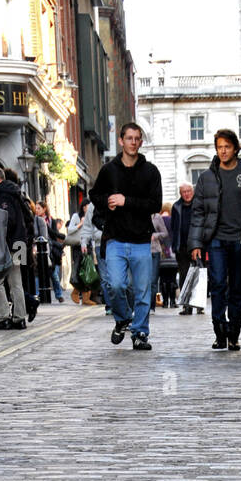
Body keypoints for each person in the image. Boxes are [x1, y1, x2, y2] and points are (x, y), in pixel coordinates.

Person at [90, 122, 162, 352]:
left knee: (142, 291)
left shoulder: (150, 171)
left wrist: (126, 201)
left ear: (140, 142)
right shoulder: (108, 170)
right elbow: (95, 195)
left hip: (141, 239)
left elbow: (155, 204)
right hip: (115, 238)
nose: (133, 142)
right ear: (121, 141)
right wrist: (107, 202)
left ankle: (140, 333)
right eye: (129, 138)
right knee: (116, 285)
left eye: (137, 138)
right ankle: (122, 319)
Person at [189, 129, 241, 350]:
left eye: (227, 146)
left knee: (237, 287)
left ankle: (234, 332)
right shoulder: (207, 177)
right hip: (216, 239)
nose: (223, 151)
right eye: (219, 147)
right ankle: (219, 331)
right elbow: (198, 212)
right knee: (217, 285)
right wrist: (196, 243)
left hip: (240, 239)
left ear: (236, 148)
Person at [0, 165, 29, 330]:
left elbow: (6, 220)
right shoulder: (15, 192)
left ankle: (3, 317)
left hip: (8, 244)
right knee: (16, 282)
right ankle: (19, 319)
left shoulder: (3, 195)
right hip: (20, 243)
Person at [4, 169, 38, 322]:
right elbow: (29, 220)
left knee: (11, 279)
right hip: (22, 242)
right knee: (19, 278)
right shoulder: (21, 195)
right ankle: (27, 304)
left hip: (14, 242)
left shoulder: (7, 195)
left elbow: (10, 221)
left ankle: (29, 302)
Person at [171, 182, 198, 314]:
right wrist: (174, 245)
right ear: (180, 193)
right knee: (184, 276)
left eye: (189, 191)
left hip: (197, 246)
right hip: (181, 247)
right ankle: (187, 305)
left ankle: (198, 304)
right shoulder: (176, 207)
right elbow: (173, 228)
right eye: (184, 192)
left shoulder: (199, 205)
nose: (187, 194)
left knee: (198, 275)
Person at [80, 201, 109, 310]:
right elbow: (87, 226)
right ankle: (110, 305)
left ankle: (119, 304)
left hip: (116, 242)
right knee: (105, 277)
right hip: (99, 244)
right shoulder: (93, 205)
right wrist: (84, 242)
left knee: (116, 277)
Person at [157, 204, 178, 307]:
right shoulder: (173, 220)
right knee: (172, 278)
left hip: (161, 253)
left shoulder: (158, 219)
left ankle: (165, 302)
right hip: (173, 253)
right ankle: (173, 302)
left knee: (163, 278)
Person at [150, 209, 169, 310]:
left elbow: (165, 233)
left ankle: (151, 306)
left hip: (154, 251)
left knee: (153, 280)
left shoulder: (157, 217)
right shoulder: (137, 214)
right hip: (141, 251)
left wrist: (155, 235)